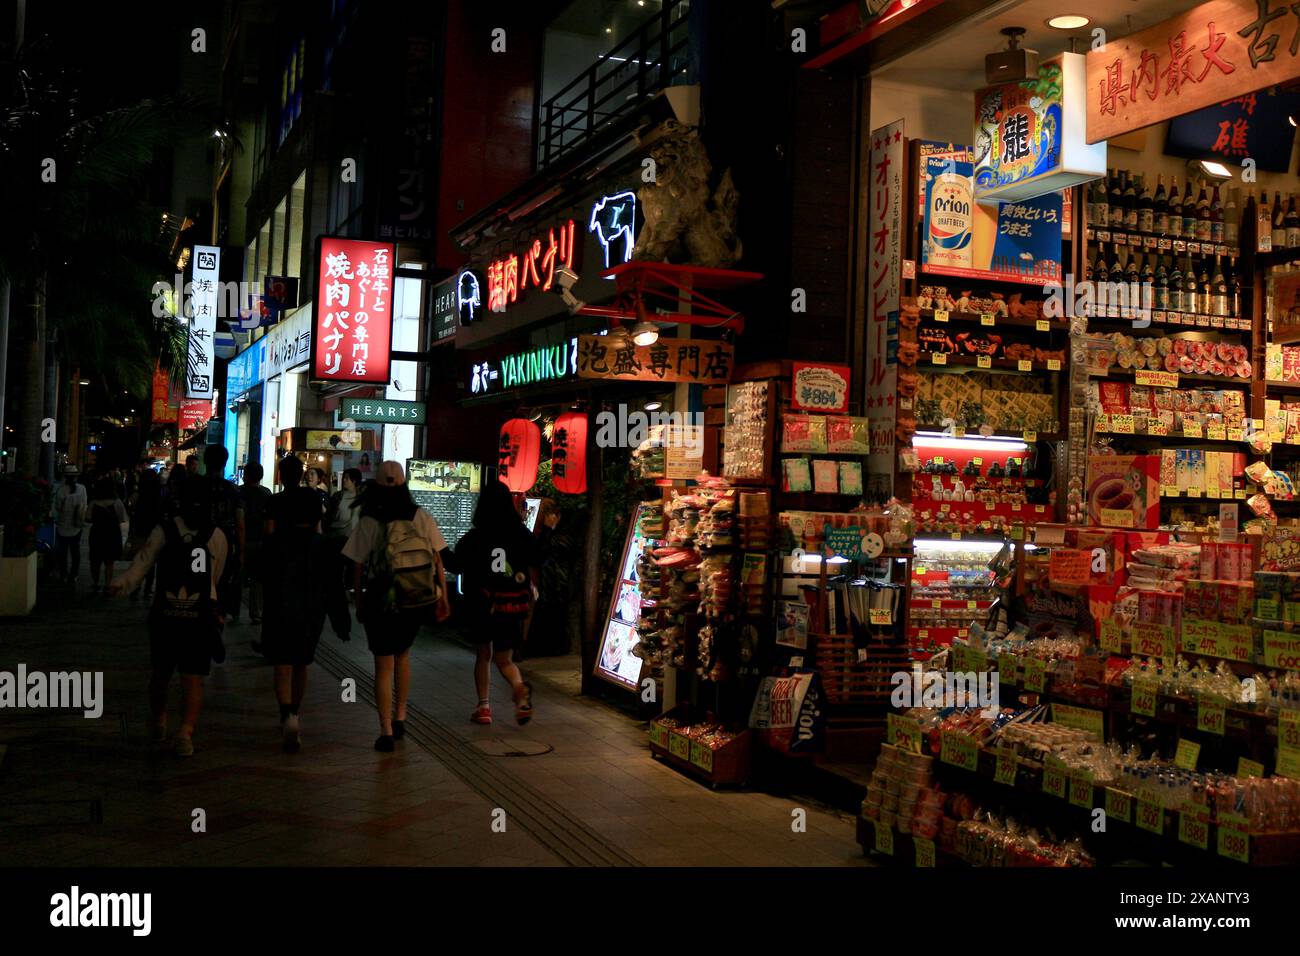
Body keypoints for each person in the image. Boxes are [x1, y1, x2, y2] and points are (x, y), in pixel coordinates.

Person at [110, 478, 228, 757]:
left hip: (167, 615)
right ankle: (183, 731)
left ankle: (166, 722)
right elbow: (217, 577)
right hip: (199, 616)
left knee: (166, 675)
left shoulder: (165, 530)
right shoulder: (216, 535)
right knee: (190, 678)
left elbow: (143, 562)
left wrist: (123, 583)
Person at [343, 461, 449, 752]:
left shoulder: (369, 518)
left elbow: (357, 563)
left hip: (380, 598)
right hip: (414, 598)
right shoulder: (420, 516)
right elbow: (438, 560)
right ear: (403, 485)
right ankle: (401, 716)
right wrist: (444, 600)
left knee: (383, 664)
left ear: (376, 486)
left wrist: (359, 600)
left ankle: (386, 730)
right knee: (403, 655)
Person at [449, 479, 539, 727]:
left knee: (483, 654)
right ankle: (520, 692)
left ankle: (484, 707)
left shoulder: (476, 537)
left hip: (482, 604)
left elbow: (455, 565)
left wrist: (438, 548)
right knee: (504, 660)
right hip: (511, 606)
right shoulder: (520, 534)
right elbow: (539, 556)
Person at [261, 454, 327, 753]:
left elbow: (269, 536)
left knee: (282, 659)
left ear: (280, 474)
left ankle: (285, 712)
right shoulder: (313, 501)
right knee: (302, 659)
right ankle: (296, 713)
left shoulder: (275, 502)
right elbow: (318, 536)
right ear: (301, 474)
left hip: (280, 586)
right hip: (309, 586)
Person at [201, 445, 244, 636]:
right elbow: (240, 523)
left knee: (199, 580)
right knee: (222, 585)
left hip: (198, 544)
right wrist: (241, 551)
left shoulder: (195, 486)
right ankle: (218, 620)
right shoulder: (232, 490)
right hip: (226, 545)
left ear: (205, 461)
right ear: (225, 463)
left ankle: (201, 619)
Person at [322, 468, 362, 641]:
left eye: (347, 478)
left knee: (342, 575)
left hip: (352, 540)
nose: (344, 480)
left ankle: (349, 590)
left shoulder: (362, 499)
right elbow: (329, 518)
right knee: (336, 577)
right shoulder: (337, 496)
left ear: (354, 481)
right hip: (336, 540)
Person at [238, 462, 272, 626]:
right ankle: (256, 612)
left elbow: (239, 521)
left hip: (242, 540)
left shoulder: (239, 493)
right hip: (261, 541)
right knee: (258, 579)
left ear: (246, 475)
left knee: (238, 575)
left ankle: (232, 608)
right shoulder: (267, 494)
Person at [126, 469, 164, 602]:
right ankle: (148, 589)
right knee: (151, 562)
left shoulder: (138, 495)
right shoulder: (159, 495)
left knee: (139, 560)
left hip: (140, 531)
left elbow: (130, 509)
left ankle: (136, 589)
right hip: (154, 532)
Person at [87, 476, 128, 595]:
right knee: (109, 561)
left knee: (95, 560)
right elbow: (122, 518)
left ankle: (95, 583)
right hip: (112, 533)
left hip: (97, 533)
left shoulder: (94, 502)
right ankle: (107, 584)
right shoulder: (117, 502)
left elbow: (88, 518)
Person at [54, 464, 88, 586]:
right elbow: (84, 505)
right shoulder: (82, 489)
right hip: (77, 524)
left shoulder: (61, 490)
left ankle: (63, 574)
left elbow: (57, 507)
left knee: (62, 551)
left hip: (63, 524)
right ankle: (74, 574)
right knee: (75, 551)